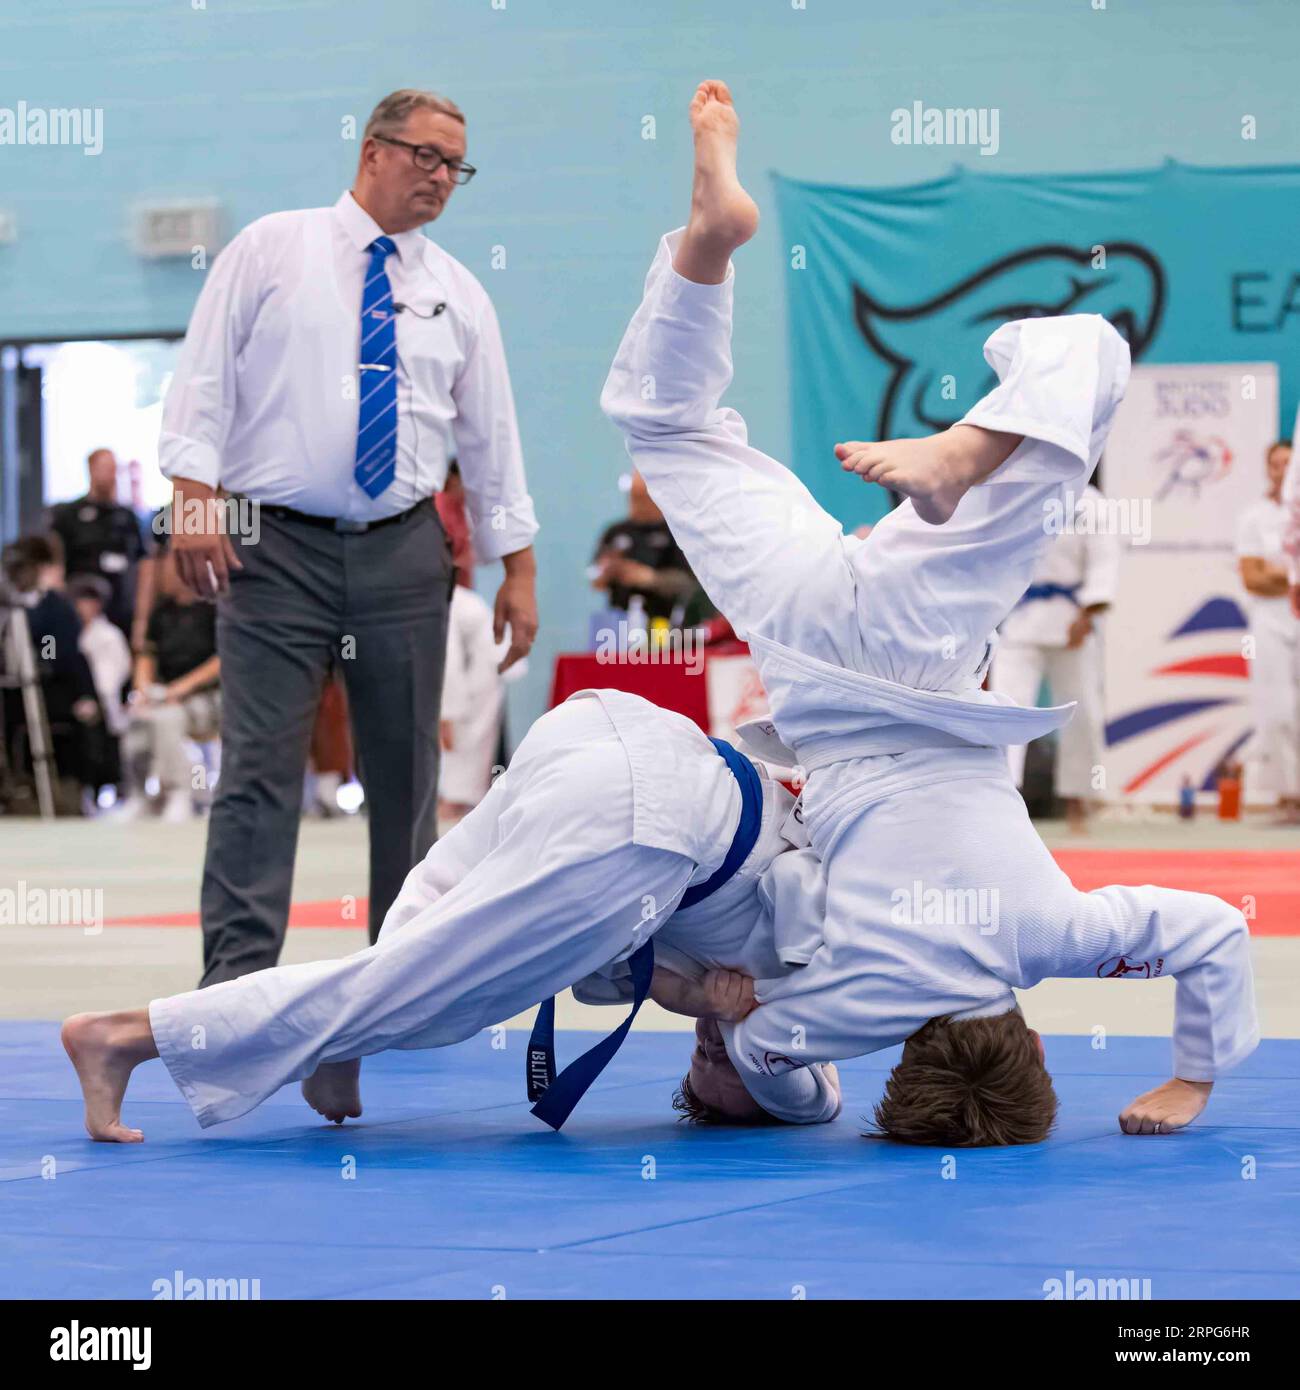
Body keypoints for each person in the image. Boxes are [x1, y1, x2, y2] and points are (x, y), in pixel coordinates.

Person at [599, 80, 1258, 1145]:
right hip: (811, 655)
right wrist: (754, 1033)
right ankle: (706, 250)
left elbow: (1217, 936)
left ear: (1036, 1043)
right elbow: (762, 1051)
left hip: (923, 639)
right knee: (663, 429)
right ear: (910, 1058)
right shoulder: (858, 995)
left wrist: (1194, 1078)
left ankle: (972, 450)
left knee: (1090, 354)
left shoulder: (1056, 934)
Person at [60, 687, 841, 1142]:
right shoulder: (804, 994)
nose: (714, 1055)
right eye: (727, 1071)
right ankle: (127, 1037)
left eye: (700, 1069)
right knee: (430, 996)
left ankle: (339, 1044)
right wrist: (751, 1035)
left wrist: (699, 1002)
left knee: (430, 907)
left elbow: (636, 969)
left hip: (605, 733)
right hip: (646, 818)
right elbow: (807, 1104)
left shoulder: (698, 975)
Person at [158, 87, 540, 983]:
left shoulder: (457, 291)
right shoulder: (271, 249)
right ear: (373, 151)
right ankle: (235, 984)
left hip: (405, 550)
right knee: (258, 771)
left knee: (407, 775)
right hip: (273, 549)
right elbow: (203, 377)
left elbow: (492, 442)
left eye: (458, 166)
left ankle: (398, 978)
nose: (444, 179)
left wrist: (517, 570)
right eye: (427, 158)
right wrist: (191, 491)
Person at [991, 483, 1121, 832]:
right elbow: (999, 556)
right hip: (1021, 619)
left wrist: (1088, 614)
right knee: (1007, 712)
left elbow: (1104, 561)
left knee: (1083, 714)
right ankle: (1002, 800)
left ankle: (1078, 802)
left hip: (1072, 619)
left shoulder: (1091, 504)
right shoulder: (1022, 493)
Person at [118, 551, 220, 823]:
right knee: (135, 719)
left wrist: (178, 690)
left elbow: (220, 663)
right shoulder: (162, 611)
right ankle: (140, 794)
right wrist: (142, 691)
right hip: (164, 694)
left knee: (167, 719)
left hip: (209, 697)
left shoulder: (214, 608)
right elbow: (146, 656)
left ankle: (180, 792)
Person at [1236, 439, 1299, 824]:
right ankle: (1289, 795)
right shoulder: (1254, 517)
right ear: (1268, 469)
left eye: (1288, 464)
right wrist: (1287, 578)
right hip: (1270, 620)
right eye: (1275, 464)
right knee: (1276, 712)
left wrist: (1275, 571)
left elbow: (1268, 572)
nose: (1281, 470)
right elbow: (1252, 578)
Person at [48, 449, 151, 640]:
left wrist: (141, 618)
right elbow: (55, 562)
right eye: (103, 467)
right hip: (79, 612)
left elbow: (144, 564)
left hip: (121, 610)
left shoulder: (128, 517)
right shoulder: (68, 515)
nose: (109, 474)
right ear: (90, 469)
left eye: (113, 469)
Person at [591, 468, 704, 623]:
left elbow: (691, 584)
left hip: (664, 623)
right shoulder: (615, 532)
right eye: (633, 498)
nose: (637, 505)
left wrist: (649, 578)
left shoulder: (675, 534)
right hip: (619, 623)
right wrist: (606, 572)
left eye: (643, 499)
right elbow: (595, 578)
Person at [69, 574, 132, 797]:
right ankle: (81, 789)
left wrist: (96, 698)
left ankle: (111, 787)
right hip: (80, 699)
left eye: (88, 601)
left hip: (106, 703)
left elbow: (117, 673)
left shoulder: (110, 635)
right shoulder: (71, 634)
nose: (83, 606)